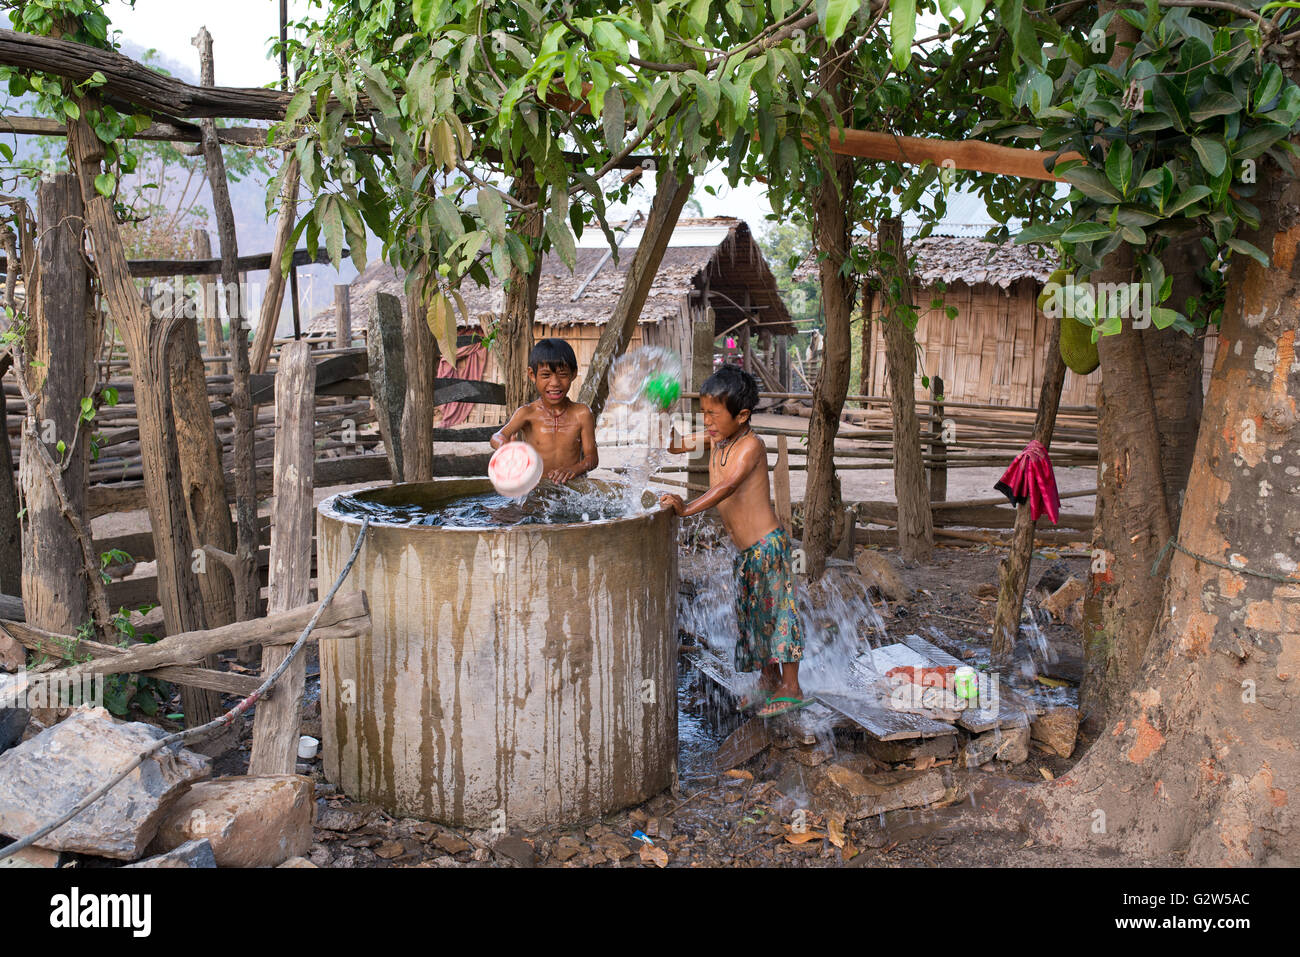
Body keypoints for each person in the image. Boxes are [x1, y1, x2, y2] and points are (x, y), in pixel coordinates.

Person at [658, 365, 809, 718]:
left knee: (778, 614)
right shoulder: (718, 438)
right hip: (746, 553)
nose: (706, 420)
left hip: (769, 547)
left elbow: (726, 487)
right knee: (753, 617)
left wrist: (687, 508)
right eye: (703, 413)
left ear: (741, 415)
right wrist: (662, 416)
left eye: (713, 413)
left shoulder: (750, 446)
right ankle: (768, 679)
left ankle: (792, 686)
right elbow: (675, 446)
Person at [490, 338, 598, 483]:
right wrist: (505, 447)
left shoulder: (582, 414)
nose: (554, 383)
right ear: (532, 375)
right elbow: (497, 436)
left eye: (562, 374)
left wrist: (573, 469)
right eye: (546, 375)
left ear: (573, 374)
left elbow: (592, 459)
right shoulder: (527, 413)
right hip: (536, 488)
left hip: (572, 490)